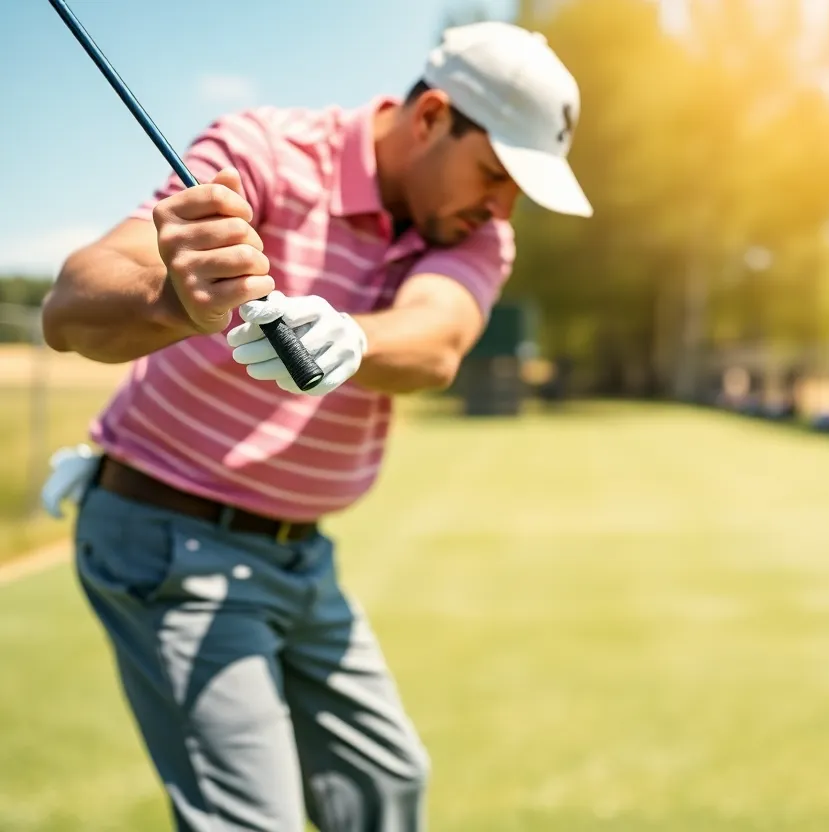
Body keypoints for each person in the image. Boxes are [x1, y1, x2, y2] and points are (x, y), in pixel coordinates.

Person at [38, 21, 591, 831]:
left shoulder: (477, 233)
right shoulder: (264, 151)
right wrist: (175, 304)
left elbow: (436, 341)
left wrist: (356, 336)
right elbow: (71, 306)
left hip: (301, 556)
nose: (502, 207)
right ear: (433, 116)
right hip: (167, 535)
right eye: (496, 173)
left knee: (385, 785)